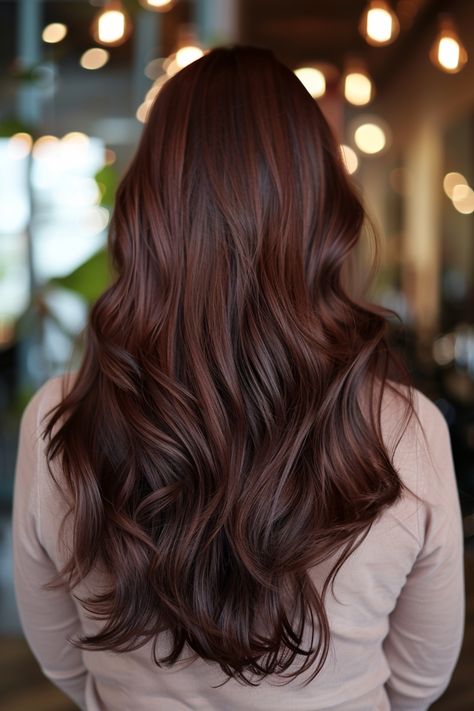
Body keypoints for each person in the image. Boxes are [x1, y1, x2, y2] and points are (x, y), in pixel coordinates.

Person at [12, 46, 465, 711]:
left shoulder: (61, 420)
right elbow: (421, 677)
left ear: (148, 211)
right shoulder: (408, 427)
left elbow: (61, 654)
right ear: (321, 214)